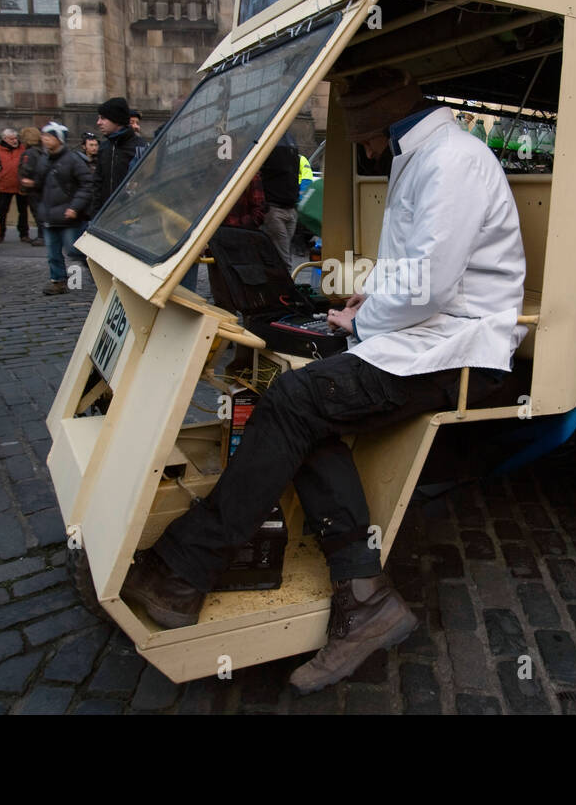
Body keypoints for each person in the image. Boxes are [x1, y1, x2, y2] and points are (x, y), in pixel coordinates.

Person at [122, 67, 527, 694]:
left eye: (365, 139)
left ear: (385, 127)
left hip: (458, 353)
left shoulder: (452, 161)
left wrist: (362, 321)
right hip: (430, 337)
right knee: (303, 403)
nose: (365, 150)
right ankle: (363, 594)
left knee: (295, 400)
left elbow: (431, 284)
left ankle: (186, 567)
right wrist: (370, 302)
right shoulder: (434, 156)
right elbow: (420, 271)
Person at [28, 122, 95, 296]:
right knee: (52, 252)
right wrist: (31, 184)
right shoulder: (43, 159)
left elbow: (87, 184)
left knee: (74, 251)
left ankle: (96, 270)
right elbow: (40, 184)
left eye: (49, 136)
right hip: (49, 214)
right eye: (43, 136)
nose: (44, 139)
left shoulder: (73, 159)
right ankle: (58, 281)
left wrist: (75, 207)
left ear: (59, 139)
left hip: (68, 215)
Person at [92, 97, 142, 217]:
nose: (98, 122)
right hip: (104, 217)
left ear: (116, 120)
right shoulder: (104, 147)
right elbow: (97, 184)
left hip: (130, 219)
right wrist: (95, 215)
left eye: (103, 118)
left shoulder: (140, 147)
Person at [260, 135, 301, 268]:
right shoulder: (287, 144)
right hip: (277, 209)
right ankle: (285, 285)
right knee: (283, 255)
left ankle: (277, 283)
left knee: (280, 252)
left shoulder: (285, 144)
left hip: (287, 208)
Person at [0, 127, 29, 242]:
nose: (15, 141)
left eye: (16, 138)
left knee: (23, 211)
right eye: (11, 139)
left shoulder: (23, 149)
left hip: (20, 186)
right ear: (4, 139)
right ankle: (0, 233)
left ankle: (24, 234)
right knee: (2, 212)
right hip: (4, 185)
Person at [18, 126, 46, 247]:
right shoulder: (43, 151)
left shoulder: (29, 153)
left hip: (33, 187)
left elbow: (26, 170)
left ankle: (42, 236)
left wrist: (23, 186)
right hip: (42, 186)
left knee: (37, 212)